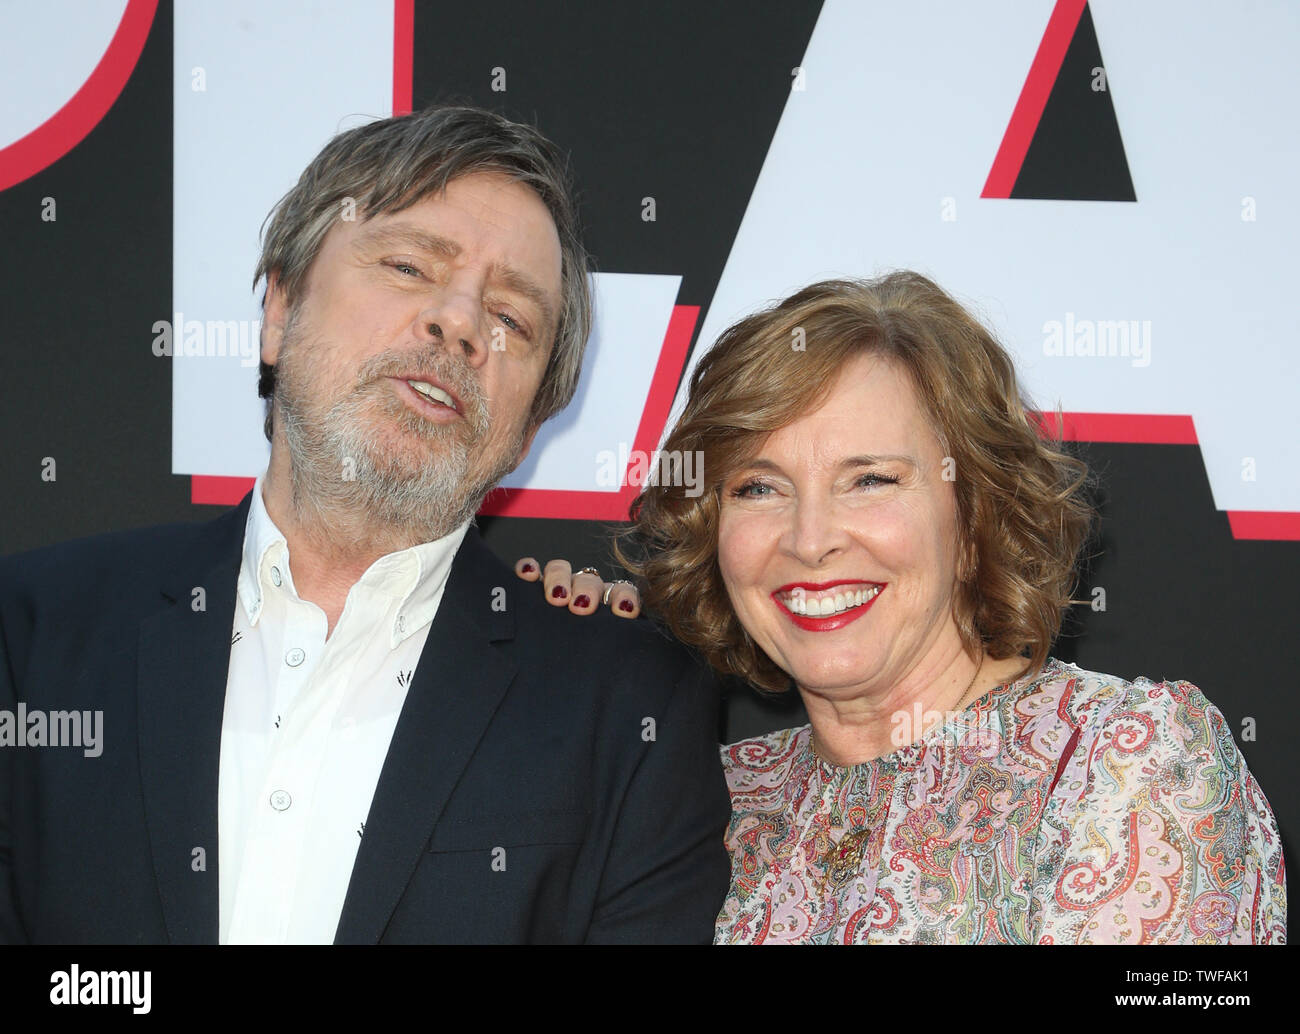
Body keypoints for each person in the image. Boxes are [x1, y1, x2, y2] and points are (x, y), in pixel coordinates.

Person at [0, 105, 731, 944]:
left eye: (512, 320)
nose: (458, 322)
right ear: (279, 310)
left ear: (530, 429)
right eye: (410, 266)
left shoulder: (628, 707)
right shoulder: (33, 634)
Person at [521, 272, 1287, 944]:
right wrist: (552, 691)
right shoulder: (710, 800)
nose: (810, 539)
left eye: (872, 480)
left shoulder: (1125, 759)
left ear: (976, 512)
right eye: (758, 487)